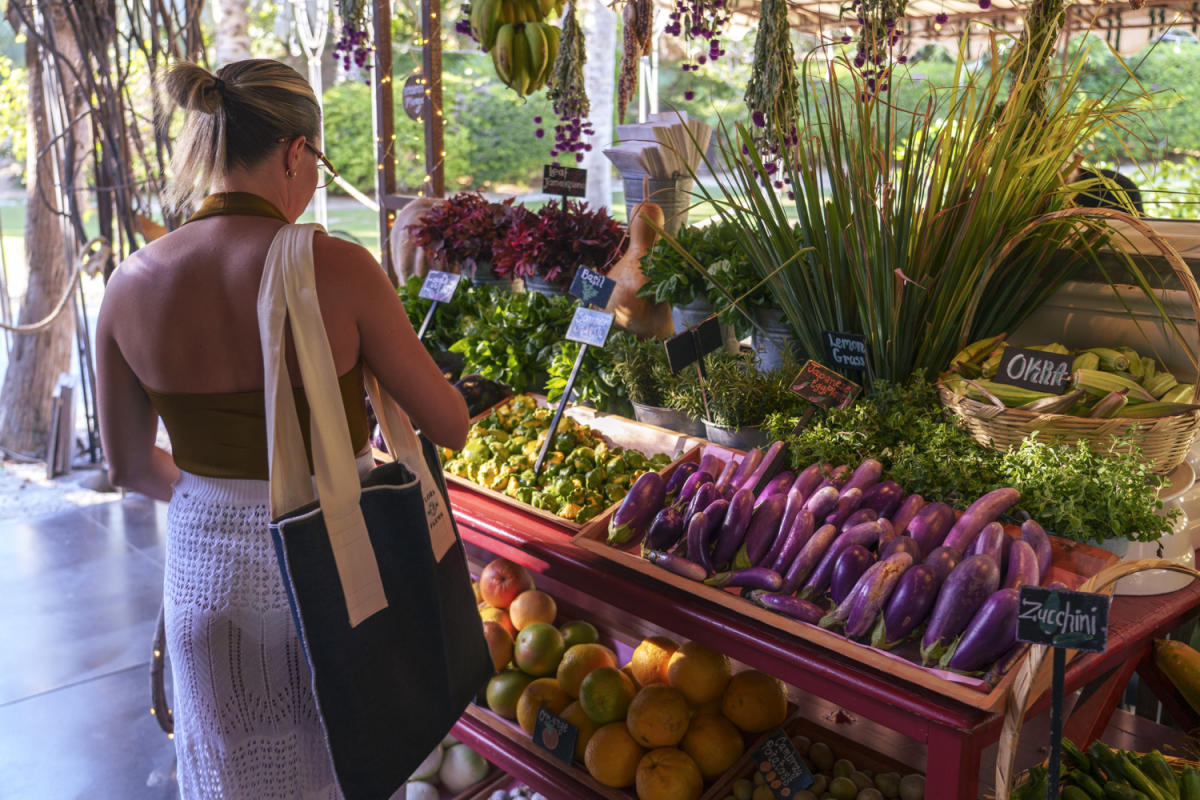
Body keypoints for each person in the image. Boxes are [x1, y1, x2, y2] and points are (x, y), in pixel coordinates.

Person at [96, 59, 469, 799]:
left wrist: (226, 498)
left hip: (206, 583)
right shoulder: (337, 268)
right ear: (296, 151)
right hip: (338, 576)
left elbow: (129, 466)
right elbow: (448, 425)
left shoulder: (129, 283)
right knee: (345, 772)